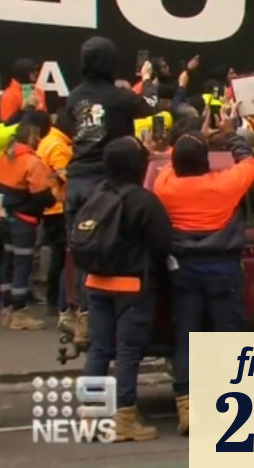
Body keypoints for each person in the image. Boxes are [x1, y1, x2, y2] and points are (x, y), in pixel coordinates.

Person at [153, 128, 254, 435]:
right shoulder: (226, 184)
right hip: (223, 269)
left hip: (183, 270)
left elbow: (169, 166)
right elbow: (250, 163)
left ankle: (187, 407)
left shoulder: (165, 185)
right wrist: (232, 138)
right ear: (207, 163)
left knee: (186, 338)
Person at [62, 37, 156, 346]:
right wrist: (145, 80)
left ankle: (79, 313)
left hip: (75, 179)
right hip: (105, 182)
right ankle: (102, 318)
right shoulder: (119, 97)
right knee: (111, 247)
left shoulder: (74, 97)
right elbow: (149, 108)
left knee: (80, 247)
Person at [79, 137, 173, 443]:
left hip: (96, 282)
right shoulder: (143, 201)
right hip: (131, 286)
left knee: (99, 349)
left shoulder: (97, 195)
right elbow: (162, 245)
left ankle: (91, 417)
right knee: (128, 353)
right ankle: (124, 419)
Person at [0, 117, 55, 330]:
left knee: (7, 261)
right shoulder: (32, 162)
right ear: (33, 137)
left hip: (3, 219)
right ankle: (19, 312)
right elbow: (43, 196)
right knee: (22, 264)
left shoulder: (1, 158)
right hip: (24, 221)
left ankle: (7, 307)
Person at [38, 115, 73, 321]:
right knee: (61, 257)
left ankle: (53, 300)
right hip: (58, 207)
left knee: (57, 256)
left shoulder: (48, 140)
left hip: (51, 207)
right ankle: (56, 301)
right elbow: (66, 176)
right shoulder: (59, 146)